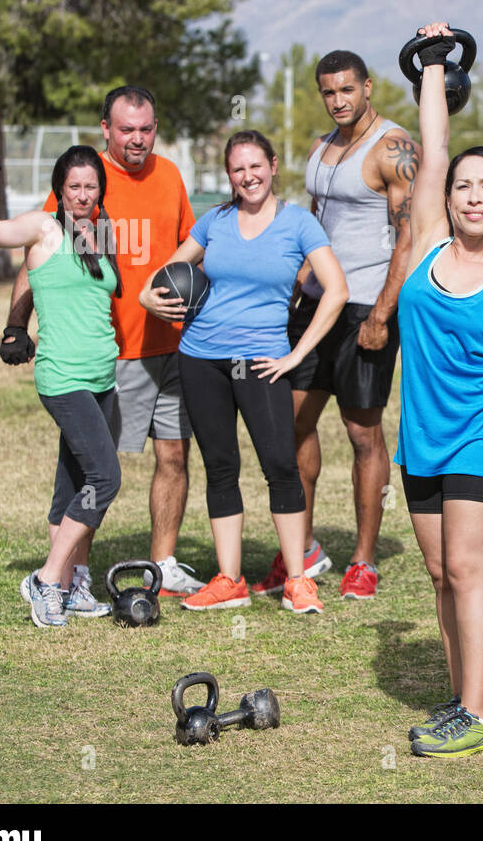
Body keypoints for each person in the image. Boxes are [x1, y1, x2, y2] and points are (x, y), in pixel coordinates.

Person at [397, 22, 483, 757]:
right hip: (420, 437)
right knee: (437, 573)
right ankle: (461, 699)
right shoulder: (425, 243)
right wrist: (432, 66)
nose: (472, 195)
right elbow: (435, 149)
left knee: (467, 568)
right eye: (463, 187)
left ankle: (481, 719)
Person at [2, 86, 205, 601]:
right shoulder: (86, 179)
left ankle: (163, 562)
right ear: (106, 129)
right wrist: (15, 325)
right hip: (113, 353)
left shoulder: (170, 176)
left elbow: (190, 249)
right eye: (126, 129)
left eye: (146, 128)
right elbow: (38, 254)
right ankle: (75, 573)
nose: (137, 139)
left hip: (173, 345)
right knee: (93, 467)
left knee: (175, 457)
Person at [140, 131, 347, 614]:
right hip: (200, 357)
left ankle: (297, 581)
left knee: (280, 467)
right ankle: (229, 579)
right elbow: (161, 277)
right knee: (220, 467)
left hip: (262, 362)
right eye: (238, 169)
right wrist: (150, 299)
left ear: (273, 166)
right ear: (229, 175)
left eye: (256, 166)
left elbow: (335, 290)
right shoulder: (214, 221)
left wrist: (297, 356)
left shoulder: (299, 223)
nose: (248, 176)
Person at [254, 51, 421, 602]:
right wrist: (291, 283)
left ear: (368, 87)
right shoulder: (320, 149)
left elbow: (409, 237)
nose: (338, 100)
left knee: (361, 434)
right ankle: (301, 547)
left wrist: (382, 313)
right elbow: (314, 222)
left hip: (366, 305)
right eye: (329, 92)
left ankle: (364, 560)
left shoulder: (394, 149)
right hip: (315, 303)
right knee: (295, 424)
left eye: (347, 89)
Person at [0, 145, 120, 626]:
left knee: (75, 482)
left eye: (90, 186)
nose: (82, 195)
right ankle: (46, 579)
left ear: (101, 189)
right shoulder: (44, 229)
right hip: (63, 378)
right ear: (60, 188)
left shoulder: (102, 232)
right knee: (105, 478)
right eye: (74, 186)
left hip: (103, 377)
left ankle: (74, 585)